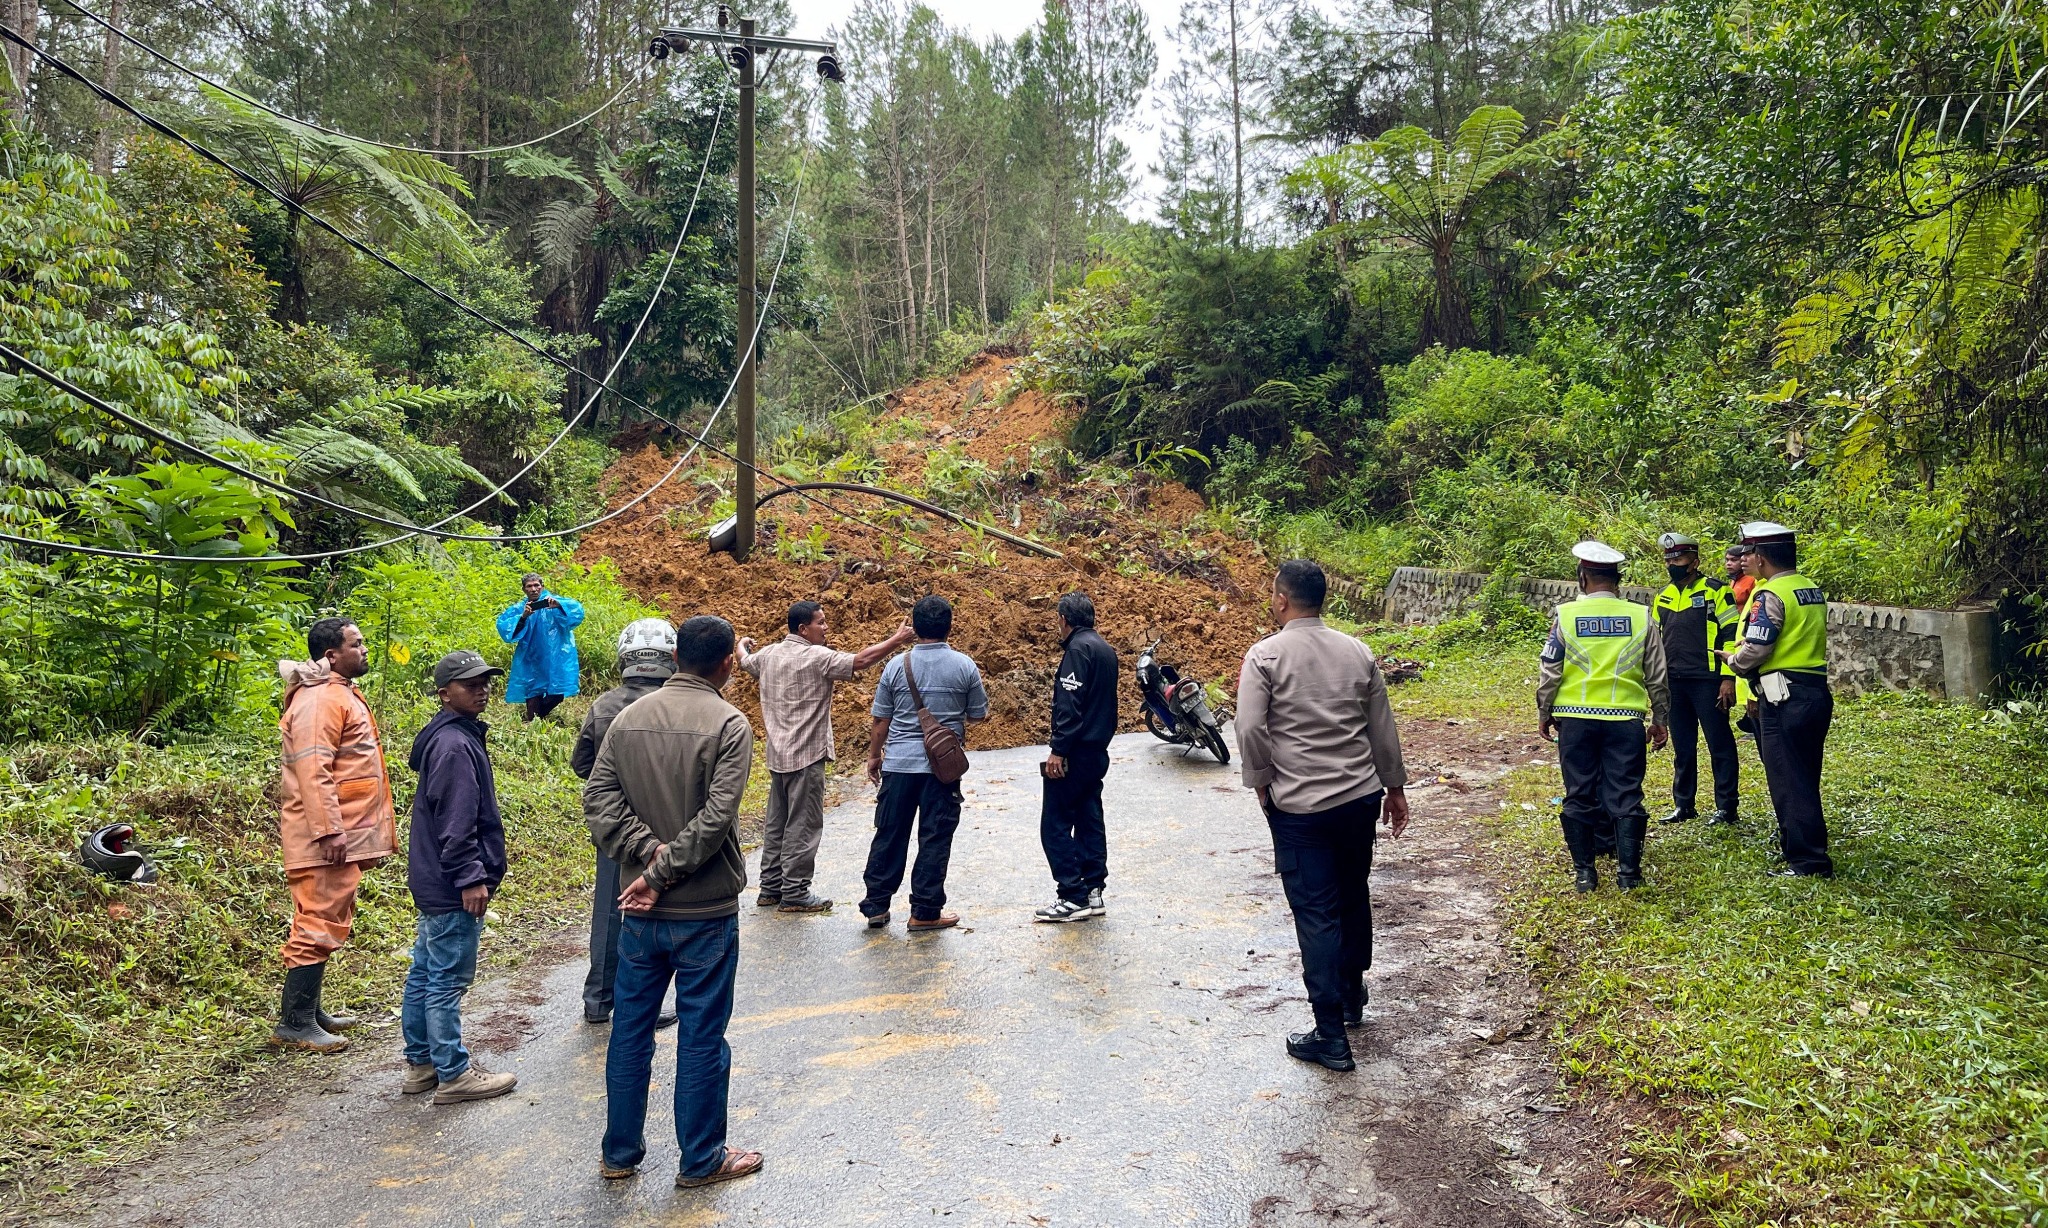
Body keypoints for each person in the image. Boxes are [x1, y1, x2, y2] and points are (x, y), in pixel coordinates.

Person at [585, 615, 762, 1189]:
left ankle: (619, 1153)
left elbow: (600, 798)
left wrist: (644, 857)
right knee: (702, 1033)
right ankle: (702, 1159)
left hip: (637, 911)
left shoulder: (628, 718)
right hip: (703, 910)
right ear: (728, 664)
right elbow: (717, 819)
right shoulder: (729, 725)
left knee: (630, 1032)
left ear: (676, 656)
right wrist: (664, 869)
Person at [1237, 560, 1409, 1074]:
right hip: (1358, 800)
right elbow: (1382, 727)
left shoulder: (1264, 656)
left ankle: (1330, 1035)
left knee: (1316, 912)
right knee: (1353, 893)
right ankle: (1353, 996)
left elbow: (1248, 729)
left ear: (1282, 599)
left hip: (1300, 807)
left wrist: (1264, 782)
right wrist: (1394, 789)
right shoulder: (1357, 651)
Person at [737, 602, 915, 914]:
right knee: (803, 825)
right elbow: (861, 661)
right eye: (821, 623)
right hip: (806, 755)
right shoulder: (817, 658)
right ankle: (795, 892)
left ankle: (770, 887)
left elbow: (746, 662)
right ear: (803, 629)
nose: (826, 627)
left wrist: (741, 646)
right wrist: (896, 640)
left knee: (777, 822)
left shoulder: (769, 655)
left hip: (777, 756)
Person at [272, 617, 396, 1053]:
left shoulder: (337, 692)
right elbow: (312, 768)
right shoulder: (320, 700)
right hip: (321, 837)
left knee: (325, 915)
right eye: (356, 644)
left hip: (334, 834)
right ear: (331, 655)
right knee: (317, 920)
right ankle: (296, 1021)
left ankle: (311, 1012)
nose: (364, 650)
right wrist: (328, 831)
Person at [401, 650, 519, 1105]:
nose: (481, 688)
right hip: (451, 882)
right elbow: (457, 820)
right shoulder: (454, 745)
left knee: (426, 972)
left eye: (485, 681)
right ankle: (453, 1073)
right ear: (444, 692)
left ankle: (422, 1065)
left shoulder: (452, 737)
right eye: (470, 683)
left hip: (432, 877)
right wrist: (471, 877)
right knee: (446, 979)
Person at [1537, 542, 1671, 895]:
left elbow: (1550, 671)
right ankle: (1629, 875)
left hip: (1575, 721)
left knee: (1578, 793)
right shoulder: (1641, 617)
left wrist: (1544, 711)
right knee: (1627, 794)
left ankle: (1585, 875)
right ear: (1619, 579)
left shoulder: (1565, 616)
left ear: (1582, 577)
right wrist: (1660, 717)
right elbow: (1657, 674)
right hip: (1625, 720)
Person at [572, 619, 683, 1029]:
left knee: (609, 909)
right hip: (666, 826)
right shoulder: (678, 704)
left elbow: (582, 763)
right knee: (657, 910)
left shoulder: (603, 705)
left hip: (614, 828)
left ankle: (599, 1000)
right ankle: (642, 1005)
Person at [860, 595, 989, 932]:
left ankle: (876, 905)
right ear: (949, 627)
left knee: (889, 833)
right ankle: (925, 912)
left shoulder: (895, 666)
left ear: (915, 628)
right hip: (941, 770)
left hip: (899, 765)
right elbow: (979, 715)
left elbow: (880, 721)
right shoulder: (964, 666)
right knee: (935, 836)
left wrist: (875, 756)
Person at [1720, 522, 1834, 878]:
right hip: (1813, 691)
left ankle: (1807, 861)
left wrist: (1735, 661)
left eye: (1749, 553)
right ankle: (1798, 844)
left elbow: (1759, 645)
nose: (1744, 559)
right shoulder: (1809, 588)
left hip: (1783, 696)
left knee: (1788, 777)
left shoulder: (1769, 594)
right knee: (1805, 772)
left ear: (1762, 557)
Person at [1035, 592, 1119, 923]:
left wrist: (1059, 750)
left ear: (1064, 620)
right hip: (1098, 752)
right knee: (1088, 819)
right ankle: (1094, 890)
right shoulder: (1105, 649)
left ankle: (1071, 895)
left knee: (1054, 824)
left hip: (1076, 753)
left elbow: (1070, 706)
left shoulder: (1077, 650)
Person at [1651, 532, 1741, 825]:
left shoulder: (1716, 591)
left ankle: (1727, 808)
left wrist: (1728, 678)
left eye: (1678, 558)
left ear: (1695, 561)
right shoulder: (1663, 595)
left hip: (1709, 680)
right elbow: (1654, 640)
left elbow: (1731, 634)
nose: (1673, 564)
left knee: (1720, 745)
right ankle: (1684, 805)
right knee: (1683, 747)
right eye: (1669, 560)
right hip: (1674, 680)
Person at [496, 572, 585, 722]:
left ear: (542, 586)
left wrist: (559, 607)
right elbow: (504, 627)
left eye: (536, 585)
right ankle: (532, 723)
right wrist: (523, 616)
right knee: (533, 689)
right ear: (524, 589)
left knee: (557, 693)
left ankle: (537, 718)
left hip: (556, 655)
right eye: (529, 586)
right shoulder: (519, 608)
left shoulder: (555, 602)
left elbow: (577, 613)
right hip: (531, 655)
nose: (534, 589)